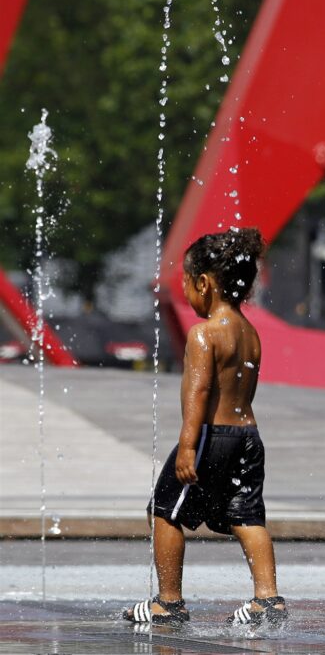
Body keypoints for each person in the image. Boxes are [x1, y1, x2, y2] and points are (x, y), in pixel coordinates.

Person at [124, 228, 287, 626]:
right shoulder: (249, 333)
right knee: (247, 517)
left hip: (210, 436)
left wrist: (185, 446)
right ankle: (268, 599)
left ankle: (168, 602)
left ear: (203, 283)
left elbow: (197, 394)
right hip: (248, 437)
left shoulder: (203, 334)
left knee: (164, 510)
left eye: (185, 283)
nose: (185, 293)